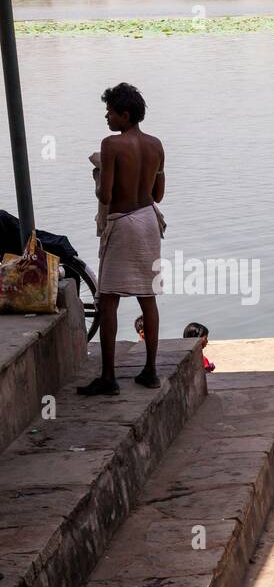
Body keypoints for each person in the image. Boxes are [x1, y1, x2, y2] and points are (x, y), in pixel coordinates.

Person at [78, 82, 166, 396]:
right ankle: (151, 371)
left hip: (124, 224)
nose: (106, 118)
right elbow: (158, 194)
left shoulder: (111, 145)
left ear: (124, 115)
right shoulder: (156, 144)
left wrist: (99, 173)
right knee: (148, 297)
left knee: (109, 300)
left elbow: (106, 193)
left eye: (110, 112)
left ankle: (108, 377)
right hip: (148, 222)